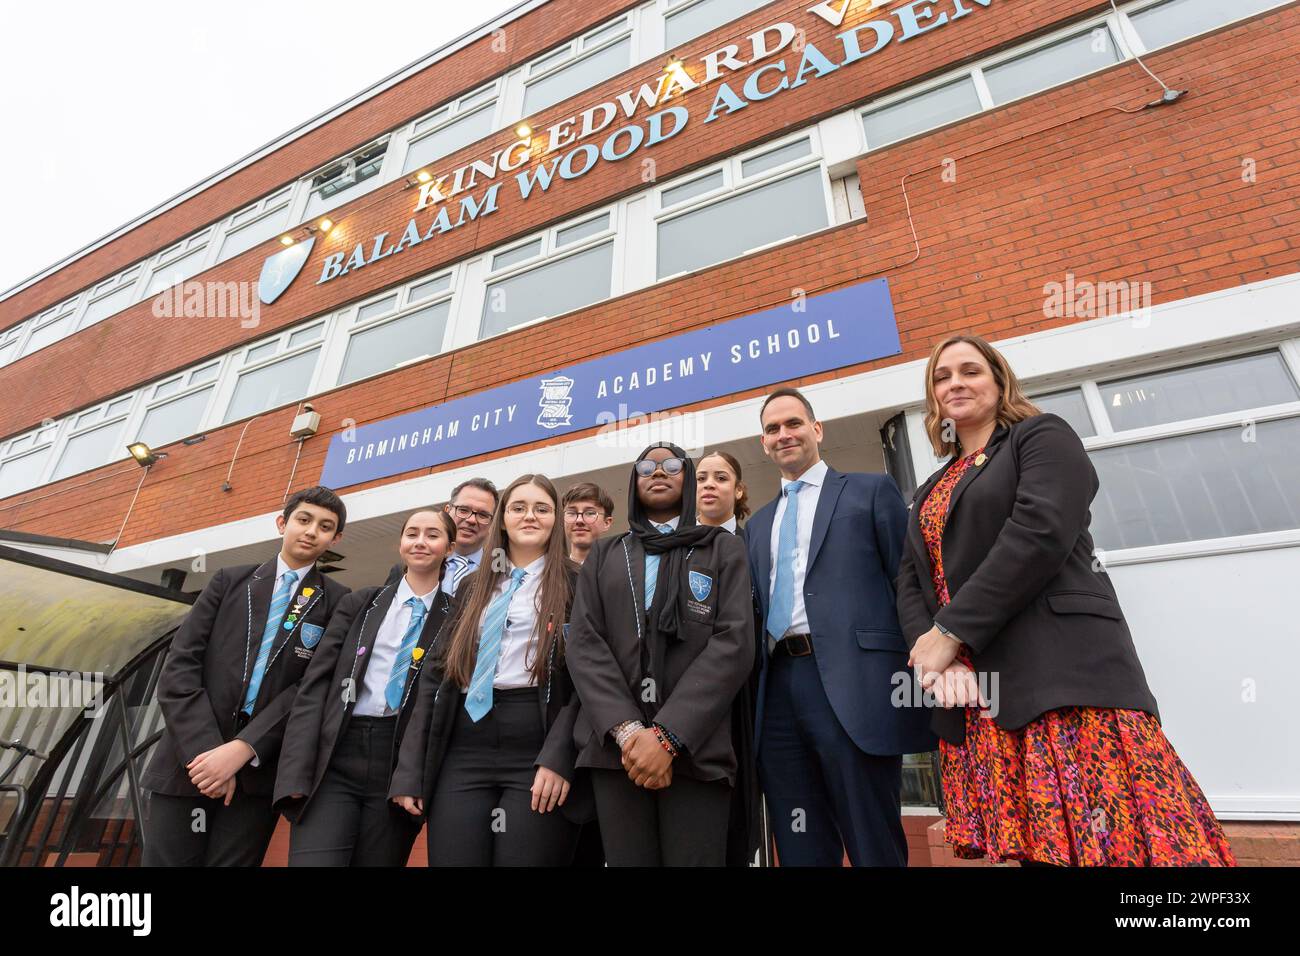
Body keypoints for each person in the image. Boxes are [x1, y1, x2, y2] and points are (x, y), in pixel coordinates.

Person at [896, 334, 1235, 866]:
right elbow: (911, 581)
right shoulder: (931, 487)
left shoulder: (1041, 437)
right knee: (1042, 847)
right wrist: (936, 663)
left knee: (1119, 843)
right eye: (942, 377)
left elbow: (1040, 531)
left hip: (1061, 675)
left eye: (970, 371)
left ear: (999, 381)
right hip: (982, 694)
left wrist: (950, 633)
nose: (955, 383)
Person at [746, 388, 935, 867]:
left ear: (817, 429)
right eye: (772, 429)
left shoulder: (871, 491)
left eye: (793, 423)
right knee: (800, 841)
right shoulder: (759, 524)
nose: (783, 435)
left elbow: (907, 582)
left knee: (870, 836)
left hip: (854, 686)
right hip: (778, 691)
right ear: (764, 444)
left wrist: (927, 665)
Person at [566, 442, 755, 866]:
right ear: (634, 481)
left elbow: (734, 642)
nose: (658, 472)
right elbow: (584, 643)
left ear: (687, 478)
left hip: (697, 749)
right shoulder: (605, 554)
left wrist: (668, 736)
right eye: (646, 466)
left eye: (672, 465)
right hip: (618, 754)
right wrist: (630, 732)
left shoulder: (722, 549)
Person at [140, 487, 351, 866]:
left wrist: (242, 750)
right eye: (303, 520)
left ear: (335, 538)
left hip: (258, 773)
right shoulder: (228, 582)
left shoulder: (338, 601)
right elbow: (180, 668)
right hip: (188, 763)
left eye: (325, 527)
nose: (311, 531)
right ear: (282, 523)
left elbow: (311, 690)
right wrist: (209, 755)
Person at [390, 475, 592, 866]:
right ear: (502, 519)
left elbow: (588, 682)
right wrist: (410, 769)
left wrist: (560, 755)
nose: (529, 516)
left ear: (556, 520)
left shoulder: (579, 583)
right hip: (464, 748)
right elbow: (437, 676)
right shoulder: (471, 586)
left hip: (536, 746)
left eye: (541, 508)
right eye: (518, 508)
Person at [272, 508, 457, 865]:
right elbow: (315, 686)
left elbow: (441, 702)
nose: (420, 541)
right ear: (400, 543)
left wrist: (413, 777)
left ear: (449, 548)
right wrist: (296, 770)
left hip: (398, 759)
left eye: (432, 535)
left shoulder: (459, 616)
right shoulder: (360, 603)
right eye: (412, 533)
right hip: (338, 756)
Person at [696, 449, 767, 867]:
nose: (709, 484)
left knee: (743, 824)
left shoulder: (756, 543)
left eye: (720, 478)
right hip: (694, 706)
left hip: (751, 700)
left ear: (737, 489)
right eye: (702, 477)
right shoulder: (673, 550)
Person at [441, 477, 498, 597]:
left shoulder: (500, 574)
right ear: (447, 511)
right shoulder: (419, 564)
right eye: (463, 510)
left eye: (483, 515)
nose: (471, 520)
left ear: (493, 523)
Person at [562, 481, 615, 564]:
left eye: (590, 513)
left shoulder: (621, 572)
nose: (579, 520)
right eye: (571, 513)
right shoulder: (550, 574)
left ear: (606, 523)